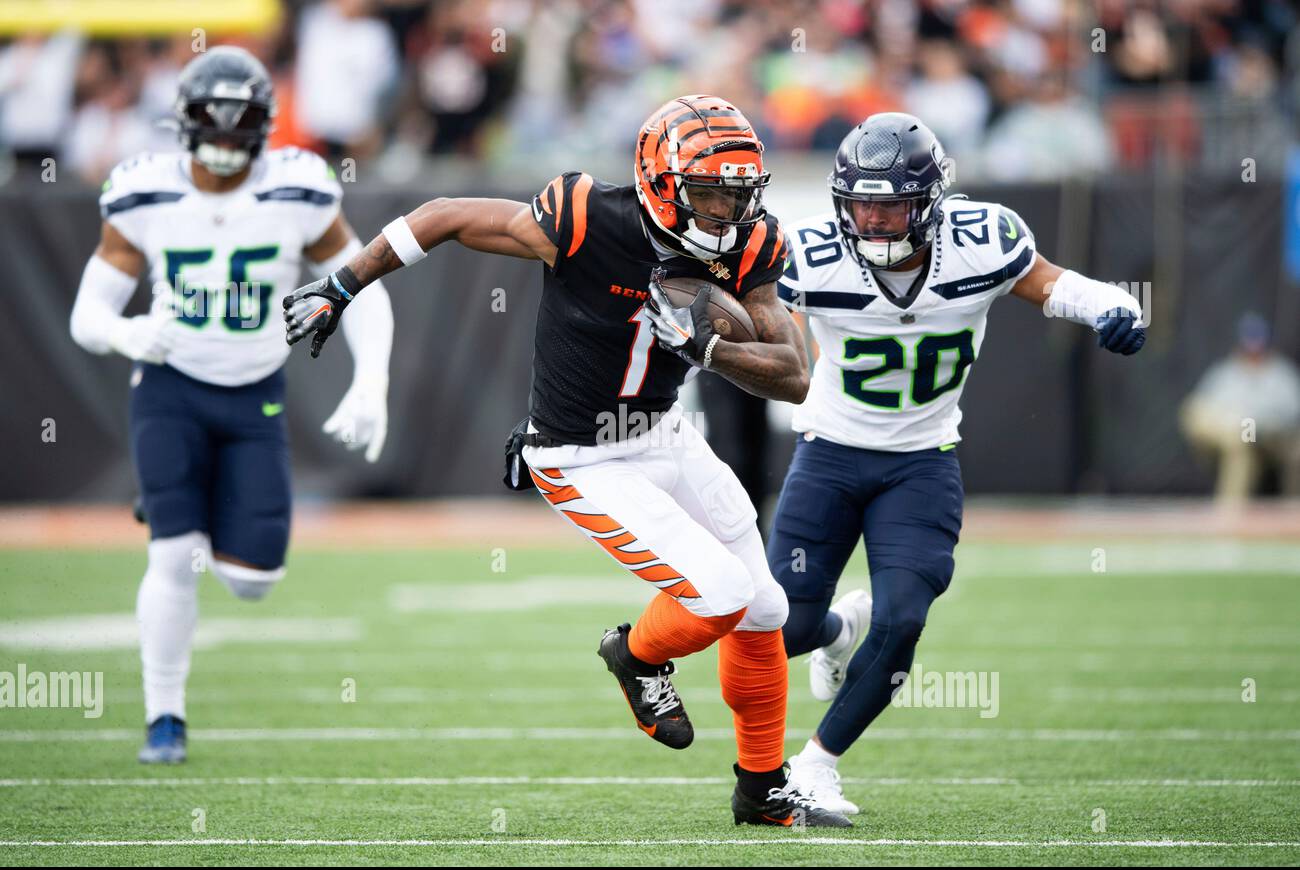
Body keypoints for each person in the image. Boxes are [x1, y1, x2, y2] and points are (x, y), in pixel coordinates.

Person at [281, 95, 852, 827]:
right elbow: (448, 215)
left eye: (739, 194)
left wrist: (708, 347)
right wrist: (343, 284)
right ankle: (637, 656)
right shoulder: (585, 218)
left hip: (666, 435)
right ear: (658, 180)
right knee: (718, 593)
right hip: (581, 457)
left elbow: (794, 371)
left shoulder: (751, 244)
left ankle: (762, 789)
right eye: (708, 192)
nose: (724, 212)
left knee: (766, 608)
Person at [770, 113, 1145, 813]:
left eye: (891, 205)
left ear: (932, 202)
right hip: (827, 455)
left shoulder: (982, 242)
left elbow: (1051, 283)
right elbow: (766, 324)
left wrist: (1111, 306)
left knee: (906, 617)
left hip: (921, 462)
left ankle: (817, 765)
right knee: (783, 629)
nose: (874, 221)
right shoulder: (812, 253)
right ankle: (836, 631)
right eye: (861, 204)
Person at [68, 47, 394, 764]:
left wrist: (370, 380)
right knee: (174, 555)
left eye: (236, 130)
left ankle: (186, 498)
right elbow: (87, 316)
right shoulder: (144, 192)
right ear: (182, 124)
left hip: (256, 397)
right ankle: (165, 718)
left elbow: (363, 285)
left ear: (264, 130)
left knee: (252, 581)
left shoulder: (298, 190)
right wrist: (127, 331)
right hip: (170, 389)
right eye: (209, 129)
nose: (221, 146)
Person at [1181, 312, 1300, 502]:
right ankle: (1230, 517)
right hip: (1235, 432)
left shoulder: (1281, 374)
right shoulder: (1226, 371)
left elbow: (1292, 414)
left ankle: (1292, 514)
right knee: (1233, 437)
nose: (1253, 349)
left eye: (1258, 342)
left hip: (1271, 435)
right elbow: (1202, 405)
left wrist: (1257, 422)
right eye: (1249, 341)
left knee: (1253, 436)